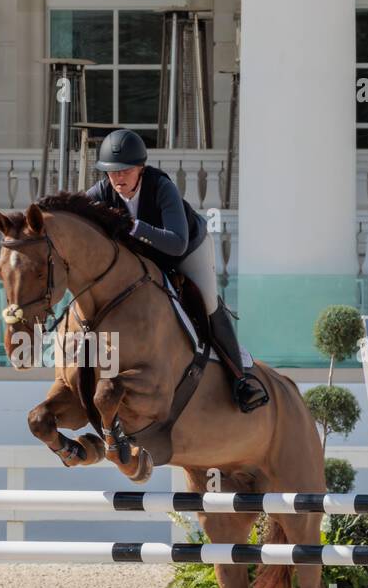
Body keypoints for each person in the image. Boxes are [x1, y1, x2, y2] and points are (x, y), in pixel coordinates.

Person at [85, 128, 269, 413]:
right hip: (143, 258)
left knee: (207, 301)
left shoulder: (162, 188)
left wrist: (133, 226)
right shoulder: (100, 194)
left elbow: (176, 242)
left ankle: (241, 380)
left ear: (141, 169)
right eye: (112, 171)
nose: (118, 178)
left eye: (125, 171)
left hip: (186, 250)